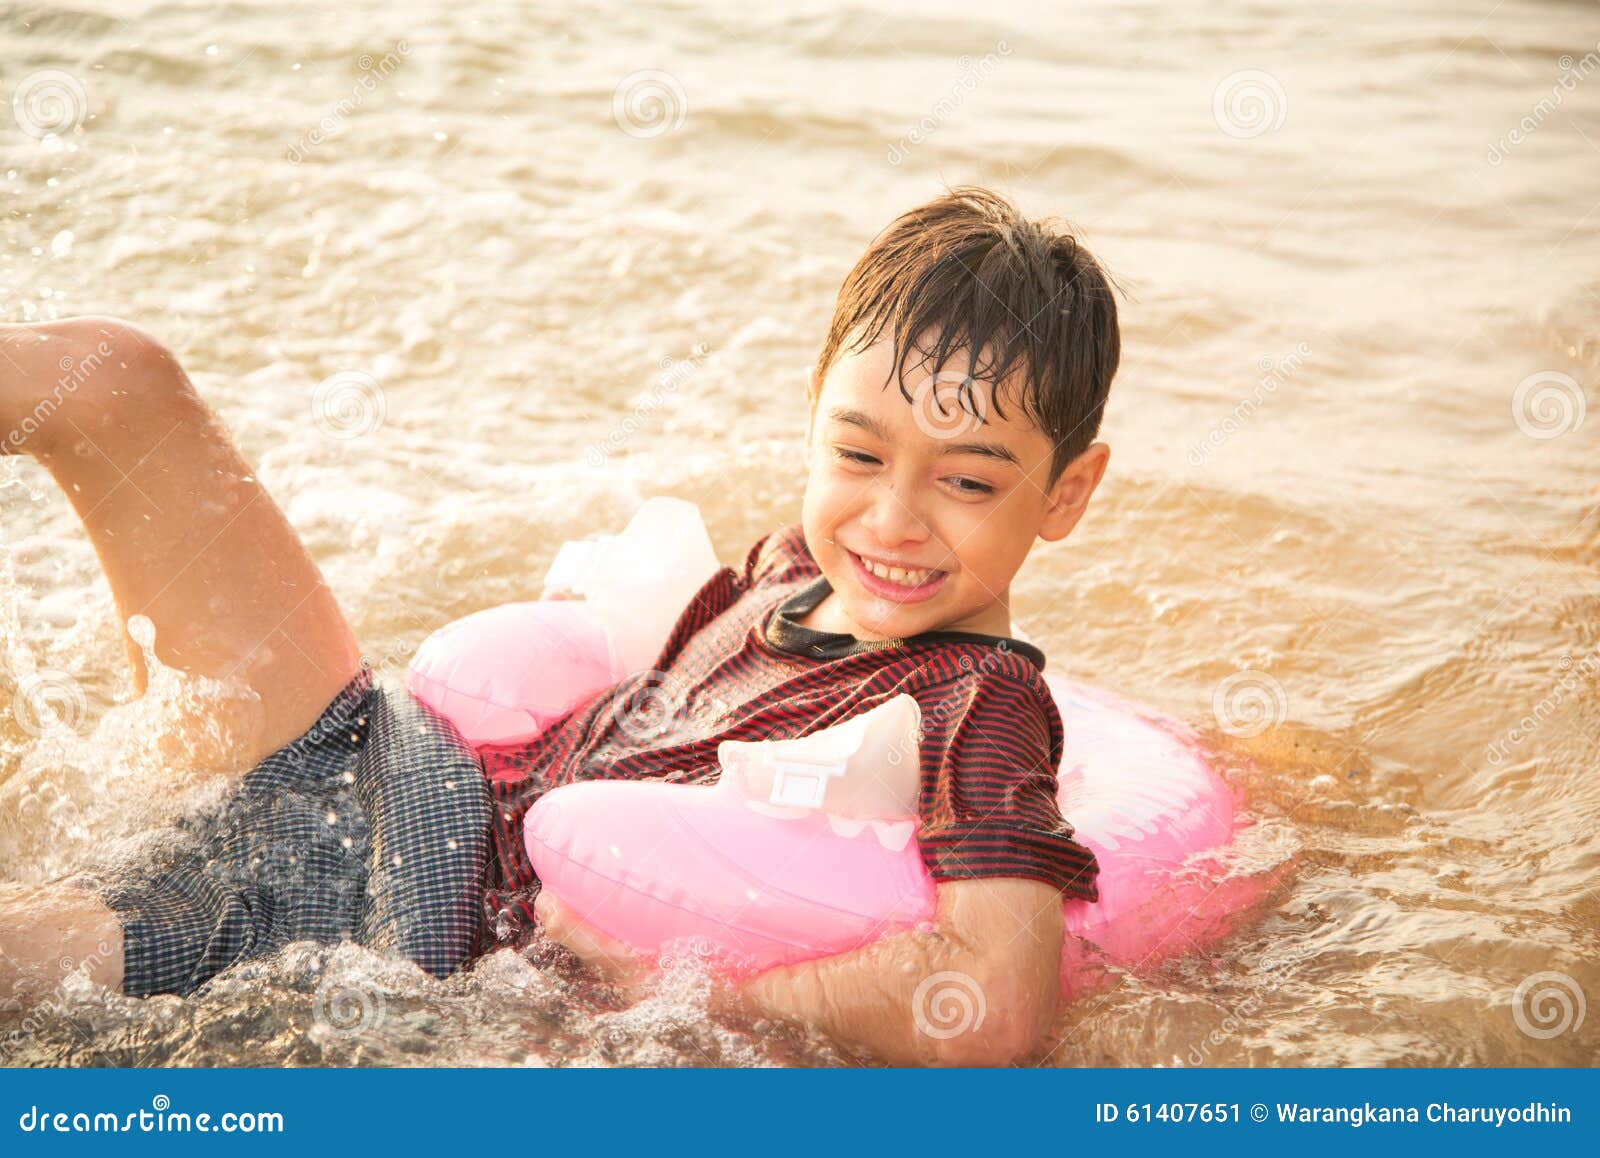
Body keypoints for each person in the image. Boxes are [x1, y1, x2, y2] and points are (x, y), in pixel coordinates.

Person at [0, 185, 1121, 1066]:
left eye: (968, 483)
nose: (891, 518)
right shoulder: (788, 567)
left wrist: (675, 987)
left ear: (1066, 495)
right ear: (814, 409)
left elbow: (992, 1006)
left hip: (391, 908)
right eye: (859, 453)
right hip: (378, 755)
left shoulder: (974, 702)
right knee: (111, 381)